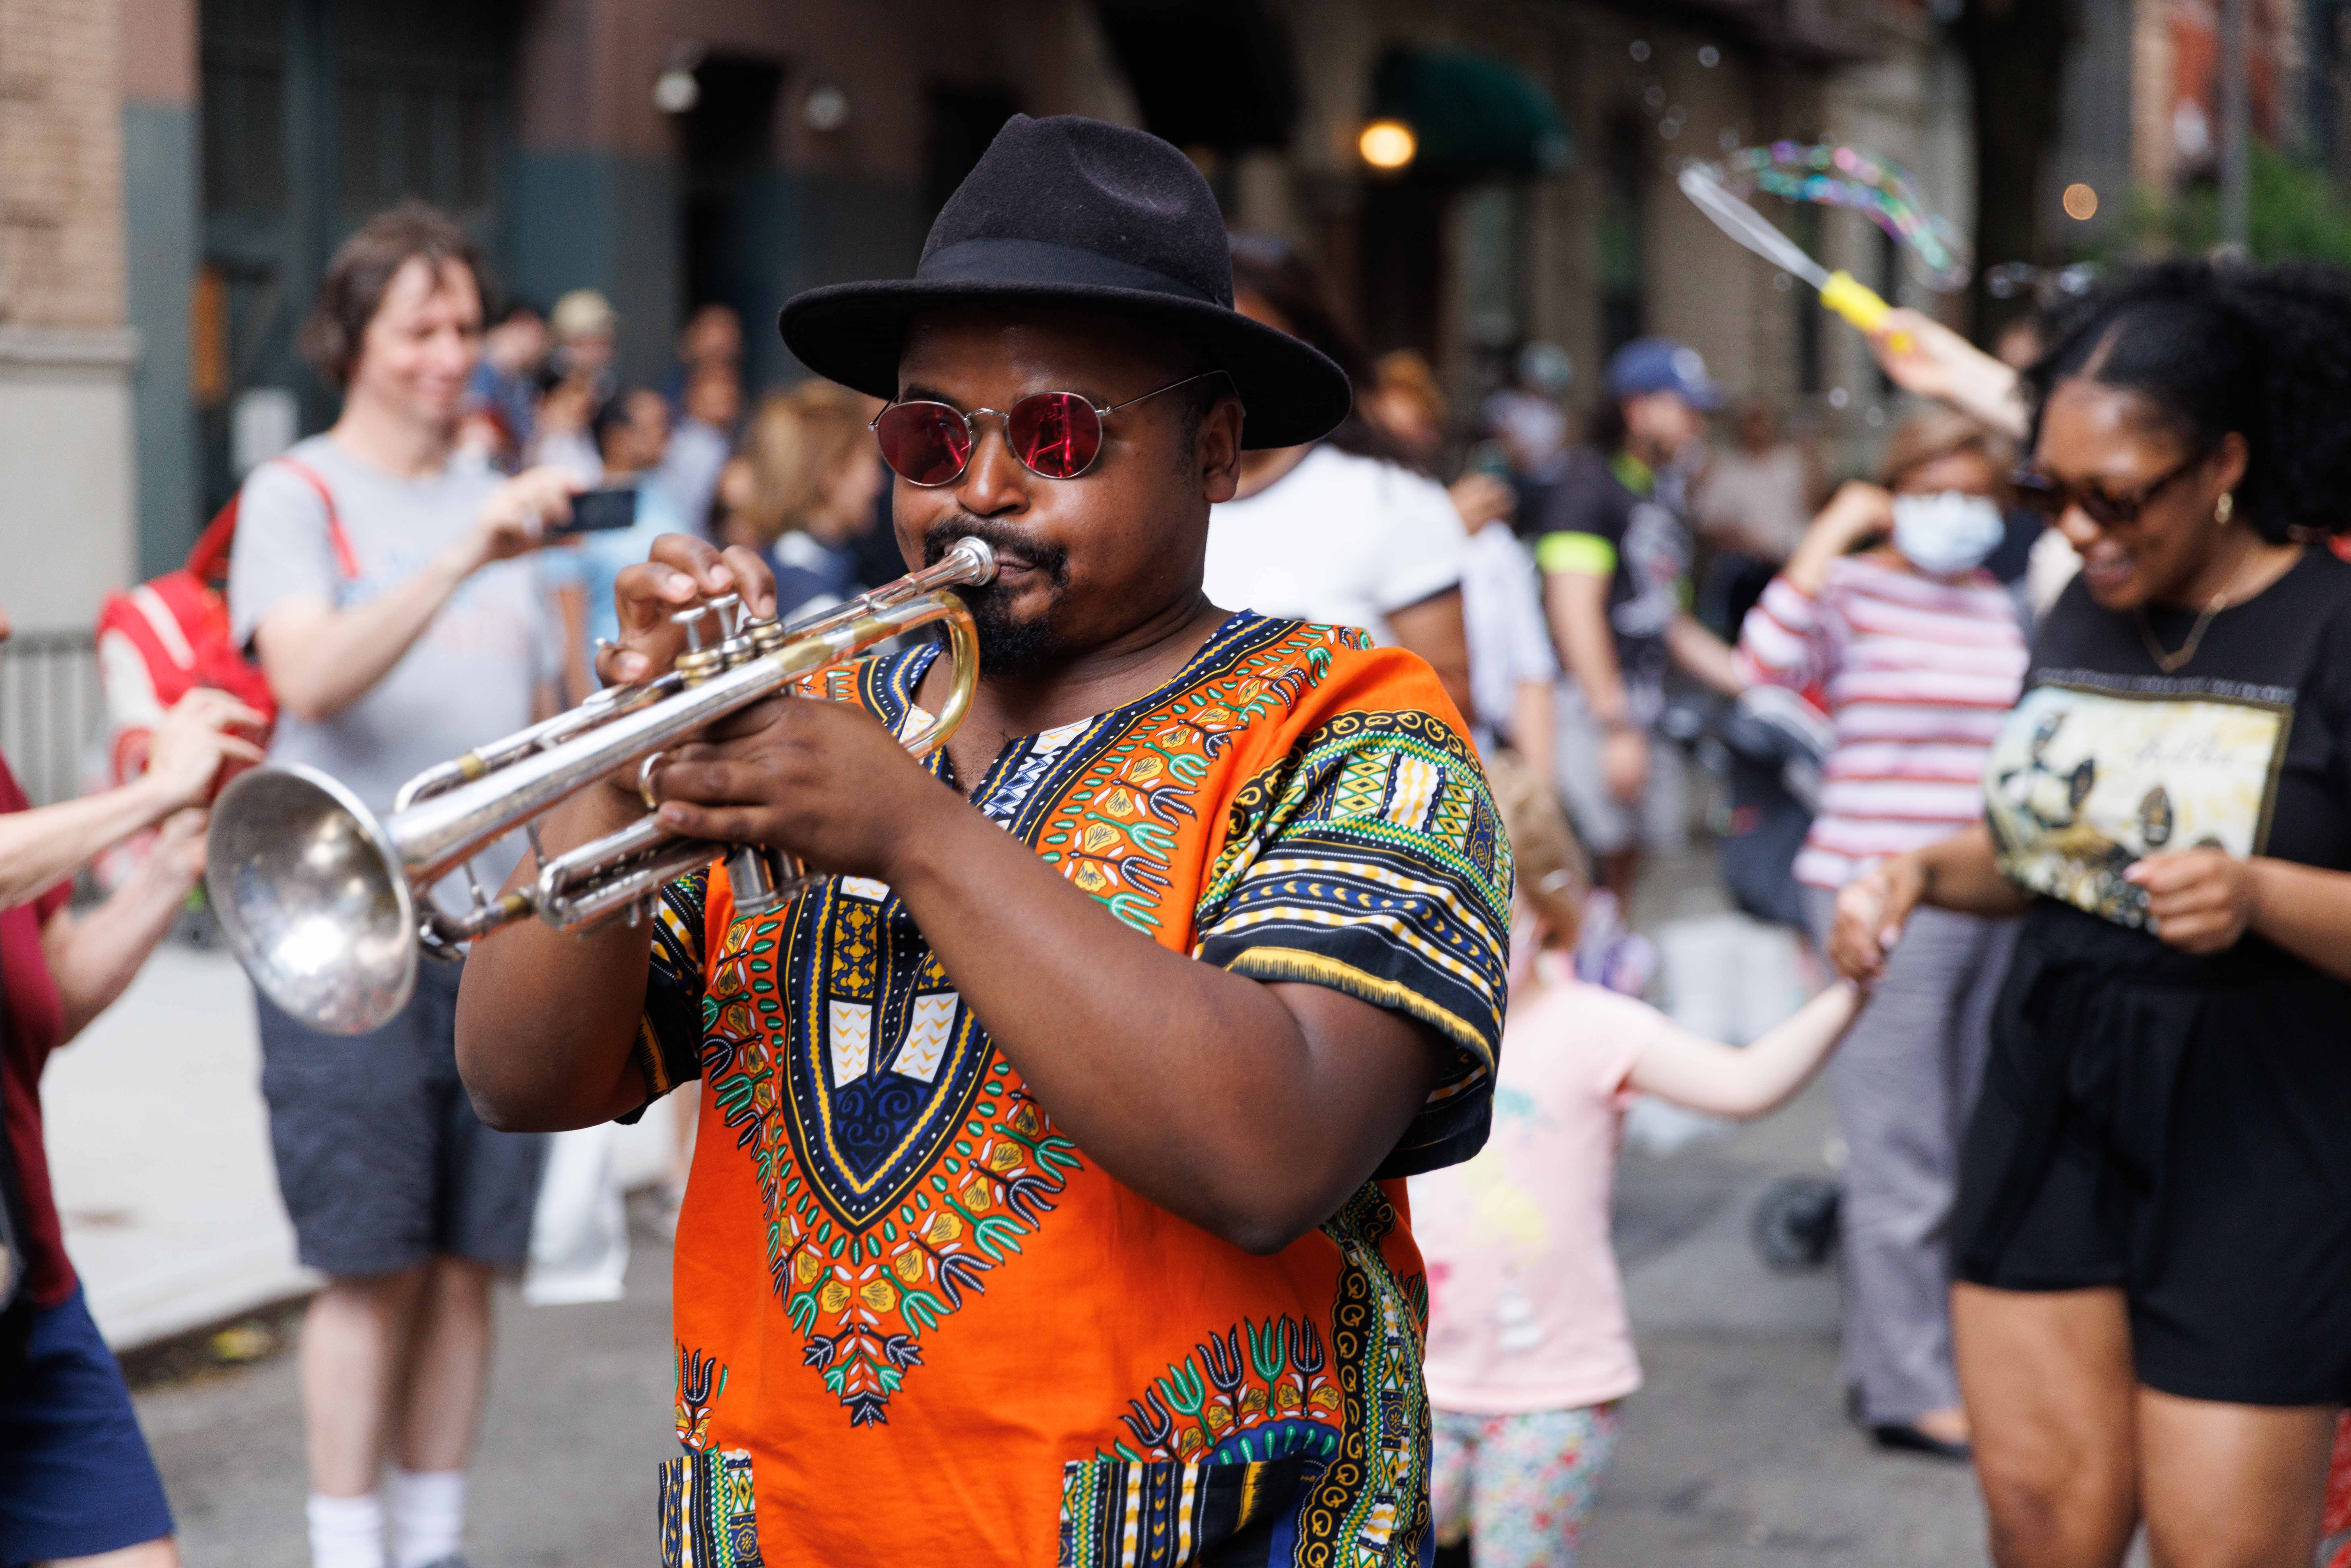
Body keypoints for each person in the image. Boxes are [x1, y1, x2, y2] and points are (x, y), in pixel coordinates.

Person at [455, 114, 1511, 1565]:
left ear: (1214, 450)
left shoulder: (1353, 725)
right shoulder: (813, 719)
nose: (984, 487)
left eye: (1061, 434)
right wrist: (623, 751)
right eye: (931, 437)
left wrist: (916, 835)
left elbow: (1274, 1154)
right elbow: (522, 1075)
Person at [1831, 260, 2351, 1567]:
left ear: (2222, 463)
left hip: (2257, 1132)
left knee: (2219, 1549)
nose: (2077, 528)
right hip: (2048, 1098)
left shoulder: (2332, 625)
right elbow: (2040, 855)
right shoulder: (2080, 609)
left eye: (2114, 497)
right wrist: (1914, 874)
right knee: (2040, 1531)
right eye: (2045, 494)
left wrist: (2258, 893)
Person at [225, 202, 577, 1568]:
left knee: (473, 1261)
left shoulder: (502, 482)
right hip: (344, 937)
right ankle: (346, 1551)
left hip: (492, 929)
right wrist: (460, 554)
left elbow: (544, 715)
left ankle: (432, 1546)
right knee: (366, 1263)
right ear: (351, 339)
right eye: (419, 327)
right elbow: (307, 675)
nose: (450, 353)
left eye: (465, 325)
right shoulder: (296, 492)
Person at [1413, 756, 1860, 1567]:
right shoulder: (1402, 1040)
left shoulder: (1593, 1027)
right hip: (1414, 1384)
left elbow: (1744, 1082)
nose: (1463, 938)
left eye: (1488, 910)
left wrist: (1852, 992)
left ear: (1544, 906)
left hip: (1554, 1393)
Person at [1736, 409, 2030, 1459]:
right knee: (1902, 1147)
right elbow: (1761, 665)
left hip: (1986, 890)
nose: (1959, 512)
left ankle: (1926, 1357)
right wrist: (1832, 528)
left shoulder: (1994, 599)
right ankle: (1905, 1386)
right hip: (1875, 890)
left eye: (1978, 495)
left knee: (1966, 1134)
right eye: (1935, 489)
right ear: (1894, 491)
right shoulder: (1852, 588)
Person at [0, 678, 257, 1568]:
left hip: (29, 1294)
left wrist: (173, 862)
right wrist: (155, 790)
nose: (6, 624)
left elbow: (56, 992)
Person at [1203, 231, 1476, 722]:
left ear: (1303, 348)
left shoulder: (1388, 496)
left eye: (1247, 345)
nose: (1223, 370)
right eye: (1202, 346)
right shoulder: (1142, 501)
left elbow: (1449, 697)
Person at [1535, 338, 1746, 896]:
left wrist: (1754, 677)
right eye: (1687, 409)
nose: (1698, 425)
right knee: (1586, 870)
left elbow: (1664, 617)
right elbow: (1572, 609)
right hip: (1591, 710)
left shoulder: (1657, 491)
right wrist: (1616, 725)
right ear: (1637, 409)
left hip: (1642, 707)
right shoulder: (1586, 484)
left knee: (1626, 870)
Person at [1359, 354, 1557, 773]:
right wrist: (1440, 531)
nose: (1393, 465)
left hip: (1475, 762)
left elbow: (1531, 671)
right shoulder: (1340, 544)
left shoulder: (1488, 542)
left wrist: (1540, 792)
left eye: (1411, 441)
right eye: (1379, 445)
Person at [541, 387, 689, 704]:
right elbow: (568, 633)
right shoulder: (579, 514)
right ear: (617, 438)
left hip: (677, 684)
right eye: (655, 427)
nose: (668, 436)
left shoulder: (663, 493)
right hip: (614, 690)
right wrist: (588, 713)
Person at [734, 380, 888, 621]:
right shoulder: (819, 603)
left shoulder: (786, 570)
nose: (879, 483)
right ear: (833, 473)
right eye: (870, 463)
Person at [661, 360, 741, 540]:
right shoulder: (689, 444)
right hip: (689, 539)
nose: (726, 393)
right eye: (715, 387)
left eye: (729, 386)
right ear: (692, 396)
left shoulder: (719, 441)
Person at [464, 298, 548, 461]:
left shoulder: (521, 380)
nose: (542, 346)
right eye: (540, 335)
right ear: (521, 324)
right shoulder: (477, 368)